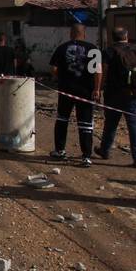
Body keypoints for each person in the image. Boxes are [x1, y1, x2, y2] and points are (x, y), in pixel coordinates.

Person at [97, 27, 136, 167]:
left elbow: (102, 70)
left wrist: (99, 89)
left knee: (111, 123)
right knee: (134, 124)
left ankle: (105, 150)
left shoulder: (108, 51)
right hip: (135, 93)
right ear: (127, 36)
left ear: (112, 38)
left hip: (114, 93)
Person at [49, 22, 103, 166]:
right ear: (84, 33)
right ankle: (86, 156)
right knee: (85, 124)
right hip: (85, 91)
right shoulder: (93, 49)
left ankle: (60, 150)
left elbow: (54, 70)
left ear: (70, 33)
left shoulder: (61, 48)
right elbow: (98, 71)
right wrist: (97, 89)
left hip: (66, 90)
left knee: (62, 120)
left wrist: (62, 77)